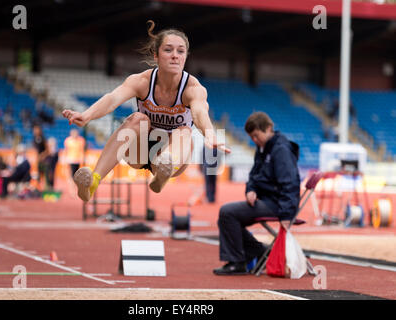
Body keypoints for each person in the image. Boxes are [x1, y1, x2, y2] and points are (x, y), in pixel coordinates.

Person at [62, 20, 230, 202]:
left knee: (184, 131)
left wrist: (210, 134)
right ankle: (93, 182)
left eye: (180, 51)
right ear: (156, 56)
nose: (175, 56)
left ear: (185, 57)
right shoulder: (141, 81)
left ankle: (162, 173)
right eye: (168, 50)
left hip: (172, 155)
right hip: (140, 152)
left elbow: (199, 113)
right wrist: (86, 116)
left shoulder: (193, 88)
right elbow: (112, 99)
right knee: (137, 118)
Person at [213, 111, 300, 275]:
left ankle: (237, 262)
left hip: (278, 205)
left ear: (268, 129)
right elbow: (253, 176)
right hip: (267, 200)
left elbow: (290, 184)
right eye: (251, 137)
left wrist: (287, 215)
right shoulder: (263, 149)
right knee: (226, 217)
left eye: (256, 135)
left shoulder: (280, 150)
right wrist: (251, 190)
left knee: (227, 213)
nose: (254, 140)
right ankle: (260, 251)